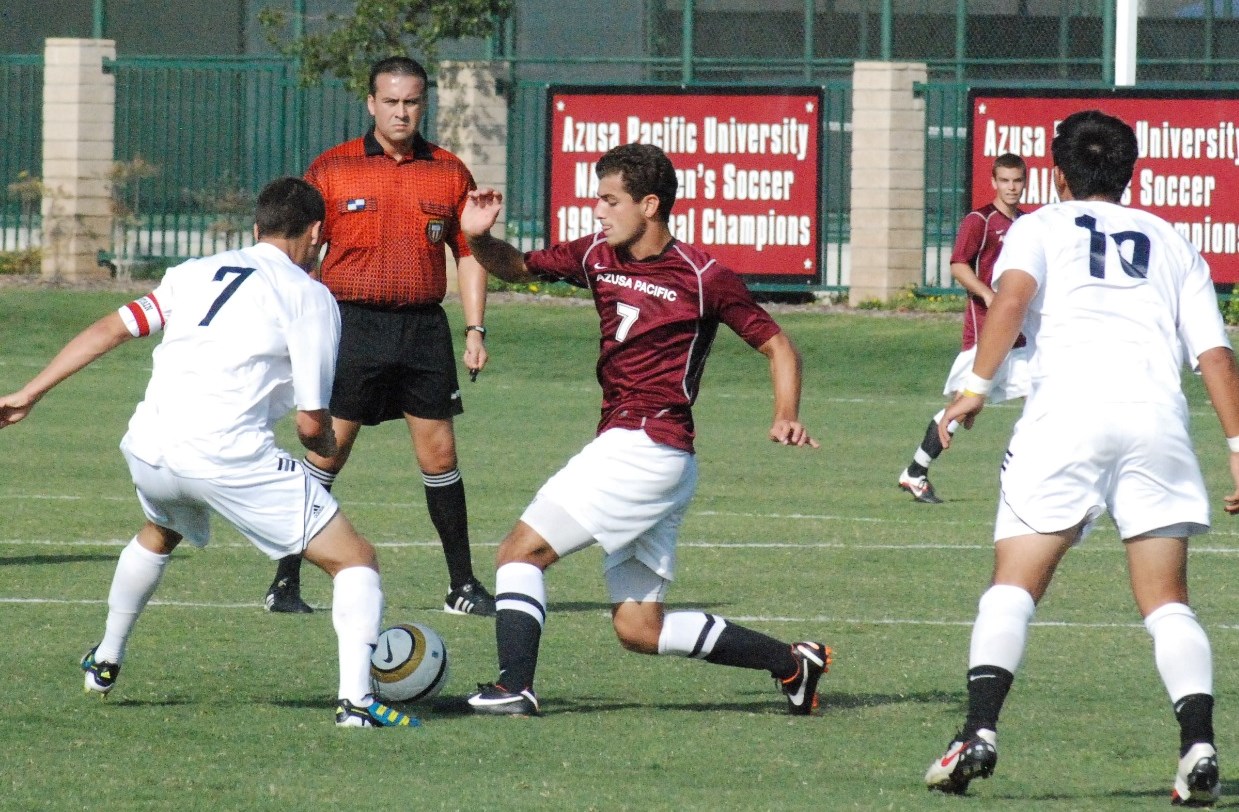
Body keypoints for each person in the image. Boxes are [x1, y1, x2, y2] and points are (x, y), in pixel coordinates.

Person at [0, 178, 414, 728]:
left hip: (149, 447)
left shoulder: (190, 273)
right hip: (226, 457)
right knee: (355, 561)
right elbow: (312, 423)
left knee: (158, 532)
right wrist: (329, 446)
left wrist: (30, 391)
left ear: (255, 229)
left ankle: (104, 658)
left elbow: (111, 327)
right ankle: (357, 704)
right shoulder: (310, 295)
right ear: (317, 233)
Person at [923, 110, 1234, 804]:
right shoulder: (1174, 241)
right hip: (1155, 420)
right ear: (1130, 173)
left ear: (1057, 174)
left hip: (1066, 418)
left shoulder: (1036, 226)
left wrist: (974, 387)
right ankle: (1198, 745)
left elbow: (1009, 299)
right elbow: (1214, 354)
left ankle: (977, 732)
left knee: (1014, 584)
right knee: (1166, 603)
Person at [457, 142, 830, 717]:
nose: (598, 212)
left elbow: (779, 345)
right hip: (654, 456)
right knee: (639, 629)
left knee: (519, 552)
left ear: (649, 204)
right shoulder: (596, 255)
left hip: (645, 445)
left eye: (610, 200)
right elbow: (519, 266)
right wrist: (480, 239)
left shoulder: (705, 276)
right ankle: (792, 663)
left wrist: (786, 412)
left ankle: (514, 686)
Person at [262, 55, 496, 617]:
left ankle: (462, 586)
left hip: (422, 330)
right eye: (390, 102)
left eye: (411, 102)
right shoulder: (332, 170)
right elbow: (298, 257)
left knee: (440, 457)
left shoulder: (447, 171)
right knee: (327, 454)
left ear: (424, 104)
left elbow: (468, 254)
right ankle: (284, 583)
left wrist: (475, 328)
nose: (401, 112)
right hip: (351, 326)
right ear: (371, 104)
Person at [898, 153, 1029, 504]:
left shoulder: (1029, 223)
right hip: (986, 332)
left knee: (1040, 396)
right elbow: (958, 264)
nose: (1011, 187)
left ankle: (1037, 477)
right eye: (1005, 181)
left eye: (1017, 181)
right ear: (994, 182)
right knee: (967, 403)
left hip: (1020, 336)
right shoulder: (980, 221)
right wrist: (986, 293)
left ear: (1025, 181)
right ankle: (915, 471)